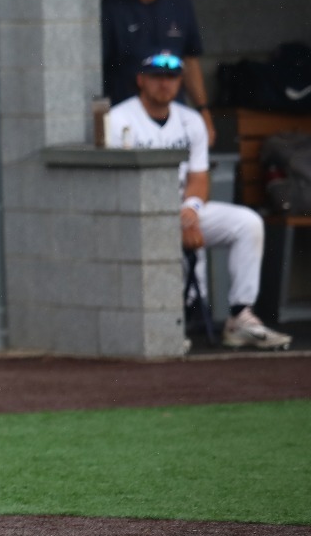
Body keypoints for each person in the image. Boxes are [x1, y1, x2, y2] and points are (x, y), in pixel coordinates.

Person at [106, 52, 291, 350]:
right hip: (139, 214)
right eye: (156, 77)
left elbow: (198, 178)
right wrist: (170, 218)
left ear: (180, 82)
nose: (164, 84)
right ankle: (165, 324)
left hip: (184, 209)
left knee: (247, 223)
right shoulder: (118, 119)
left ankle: (239, 316)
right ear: (141, 80)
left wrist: (189, 212)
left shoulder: (190, 120)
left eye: (171, 77)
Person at [102, 0, 215, 146]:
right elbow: (100, 68)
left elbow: (190, 61)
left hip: (173, 113)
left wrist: (204, 113)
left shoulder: (179, 4)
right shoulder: (111, 8)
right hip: (127, 118)